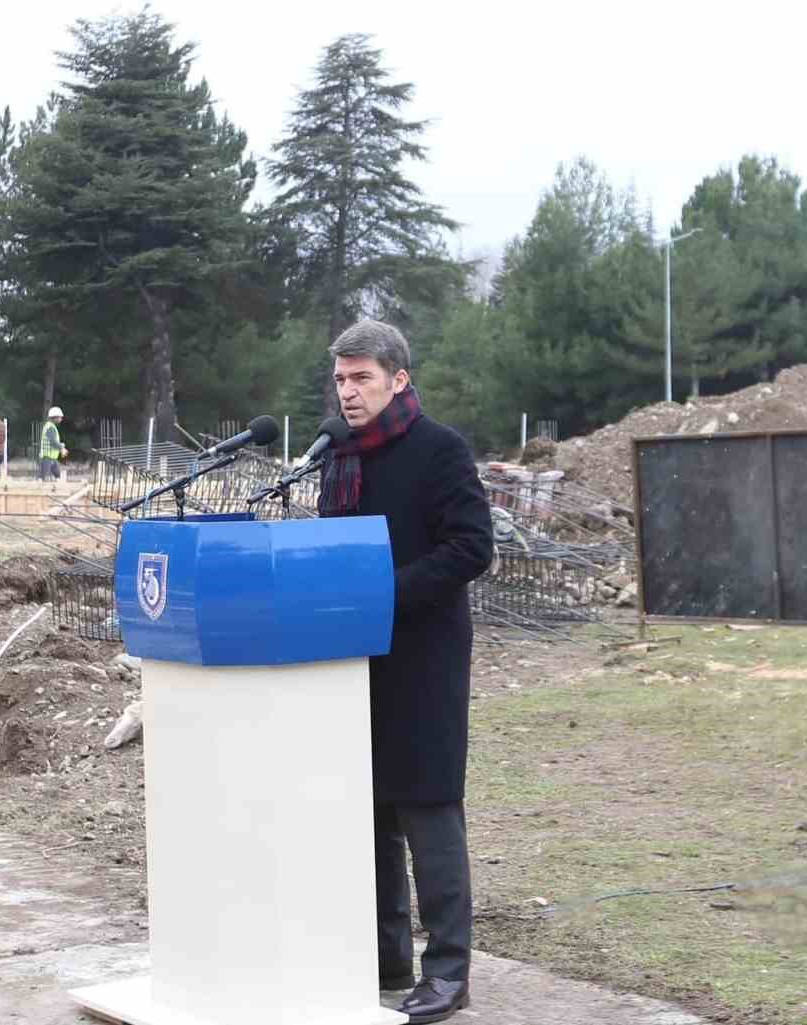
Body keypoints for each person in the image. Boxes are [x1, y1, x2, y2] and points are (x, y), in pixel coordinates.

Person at [316, 320, 493, 1024]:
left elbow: (472, 546)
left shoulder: (440, 449)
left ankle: (448, 970)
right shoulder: (338, 454)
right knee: (371, 811)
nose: (348, 391)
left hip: (423, 657)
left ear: (399, 379)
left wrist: (385, 592)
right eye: (341, 379)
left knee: (427, 806)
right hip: (355, 655)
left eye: (362, 378)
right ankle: (385, 958)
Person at [39, 405, 67, 481]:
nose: (61, 419)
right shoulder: (50, 427)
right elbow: (52, 442)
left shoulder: (51, 426)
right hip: (47, 456)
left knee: (58, 475)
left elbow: (53, 441)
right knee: (42, 477)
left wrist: (60, 445)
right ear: (55, 417)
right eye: (60, 417)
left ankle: (58, 484)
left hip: (52, 457)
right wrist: (61, 448)